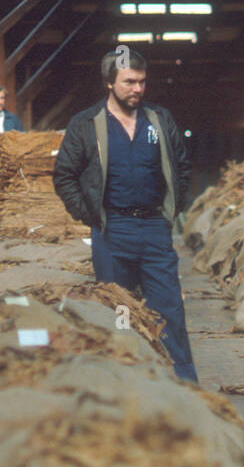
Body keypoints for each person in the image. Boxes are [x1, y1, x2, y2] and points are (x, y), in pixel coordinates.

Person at [53, 48, 199, 383]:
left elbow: (182, 167)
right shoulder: (86, 124)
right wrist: (87, 213)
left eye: (142, 82)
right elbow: (65, 175)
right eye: (129, 82)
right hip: (112, 228)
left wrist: (170, 211)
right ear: (109, 83)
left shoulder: (159, 120)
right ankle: (123, 385)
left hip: (154, 227)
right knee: (117, 313)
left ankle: (187, 390)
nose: (138, 88)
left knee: (169, 311)